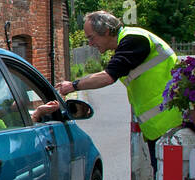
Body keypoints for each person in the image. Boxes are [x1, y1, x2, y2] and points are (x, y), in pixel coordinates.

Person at [31, 10, 181, 168]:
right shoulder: (129, 41)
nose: (90, 43)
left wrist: (73, 85)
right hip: (163, 127)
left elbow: (107, 77)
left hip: (172, 126)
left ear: (107, 31)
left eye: (91, 37)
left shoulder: (134, 41)